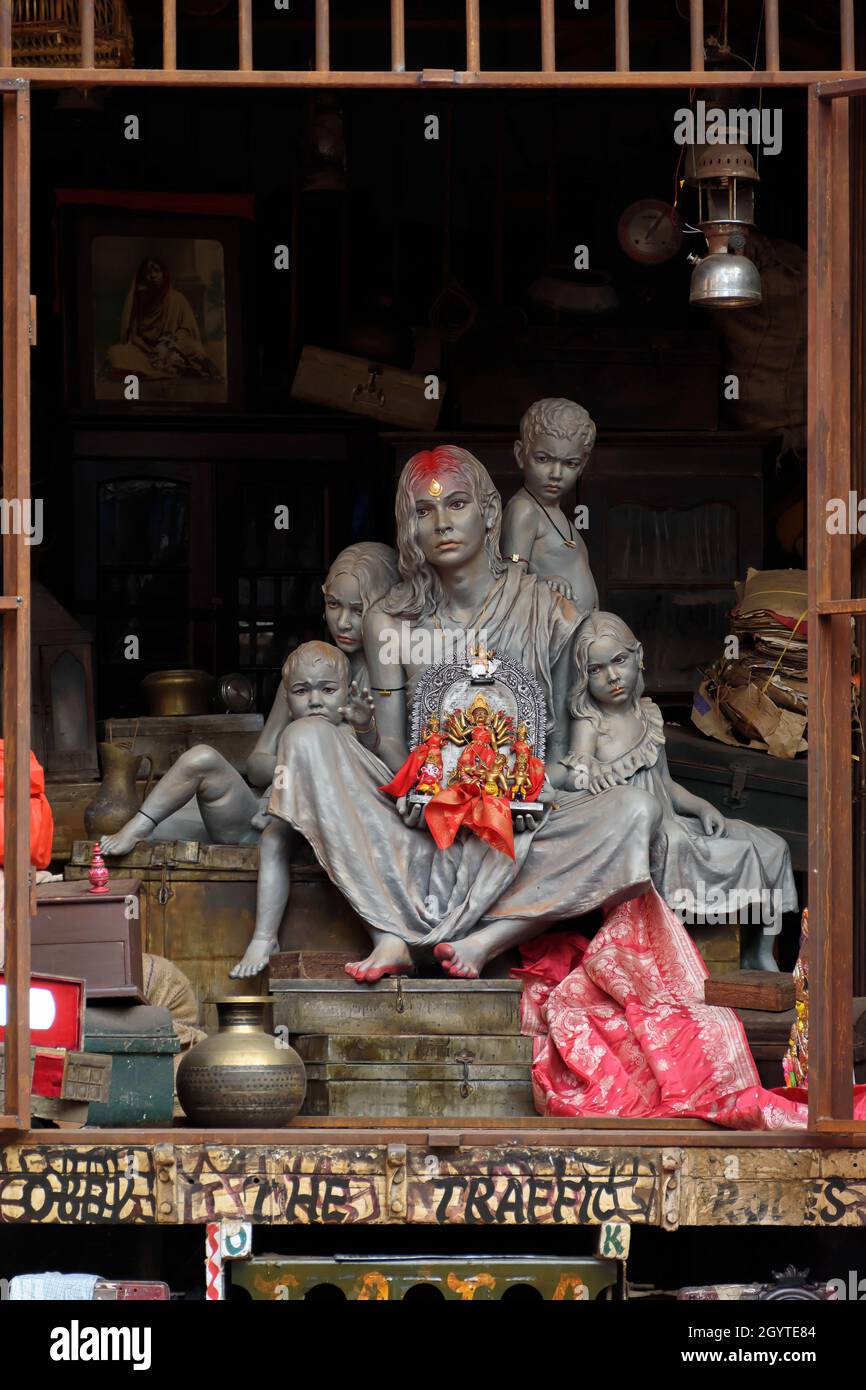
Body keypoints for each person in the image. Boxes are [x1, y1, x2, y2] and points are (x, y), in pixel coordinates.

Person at [266, 445, 662, 983]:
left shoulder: (551, 610)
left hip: (524, 823)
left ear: (490, 514)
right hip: (422, 824)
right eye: (423, 512)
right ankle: (388, 931)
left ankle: (486, 938)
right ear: (408, 528)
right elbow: (391, 749)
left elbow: (574, 756)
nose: (442, 524)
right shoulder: (390, 621)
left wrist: (531, 791)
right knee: (309, 737)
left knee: (634, 812)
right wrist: (413, 787)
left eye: (457, 504)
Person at [548, 612, 797, 969]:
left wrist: (700, 806)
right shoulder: (591, 722)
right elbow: (578, 767)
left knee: (772, 846)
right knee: (735, 852)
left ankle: (758, 952)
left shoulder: (648, 714)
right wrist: (571, 773)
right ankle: (679, 951)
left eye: (619, 660)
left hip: (675, 817)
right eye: (595, 669)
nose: (612, 677)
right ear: (583, 678)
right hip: (647, 835)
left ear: (638, 655)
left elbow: (664, 782)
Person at [501, 397, 599, 612]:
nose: (556, 474)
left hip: (579, 631)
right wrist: (542, 585)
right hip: (550, 634)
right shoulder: (524, 510)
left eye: (570, 464)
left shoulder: (558, 515)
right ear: (520, 455)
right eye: (543, 459)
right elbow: (510, 578)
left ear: (582, 465)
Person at [105, 257, 221, 383]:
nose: (153, 275)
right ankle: (156, 368)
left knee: (193, 349)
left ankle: (167, 366)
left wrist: (166, 346)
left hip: (171, 347)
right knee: (116, 352)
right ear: (143, 276)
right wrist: (150, 352)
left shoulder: (177, 299)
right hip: (144, 350)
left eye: (157, 270)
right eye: (148, 272)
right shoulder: (139, 299)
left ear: (163, 274)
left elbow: (186, 329)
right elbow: (134, 336)